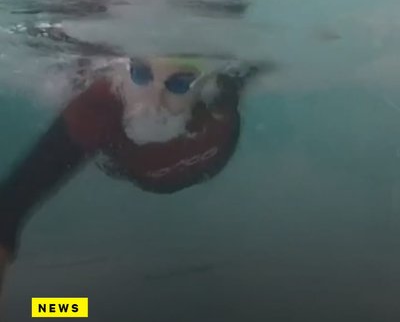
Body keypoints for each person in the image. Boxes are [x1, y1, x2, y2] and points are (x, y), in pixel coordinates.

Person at [0, 54, 261, 295]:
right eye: (140, 73)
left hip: (201, 166)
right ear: (125, 72)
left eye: (181, 83)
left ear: (203, 86)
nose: (154, 99)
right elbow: (15, 200)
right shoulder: (100, 104)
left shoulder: (218, 96)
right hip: (140, 169)